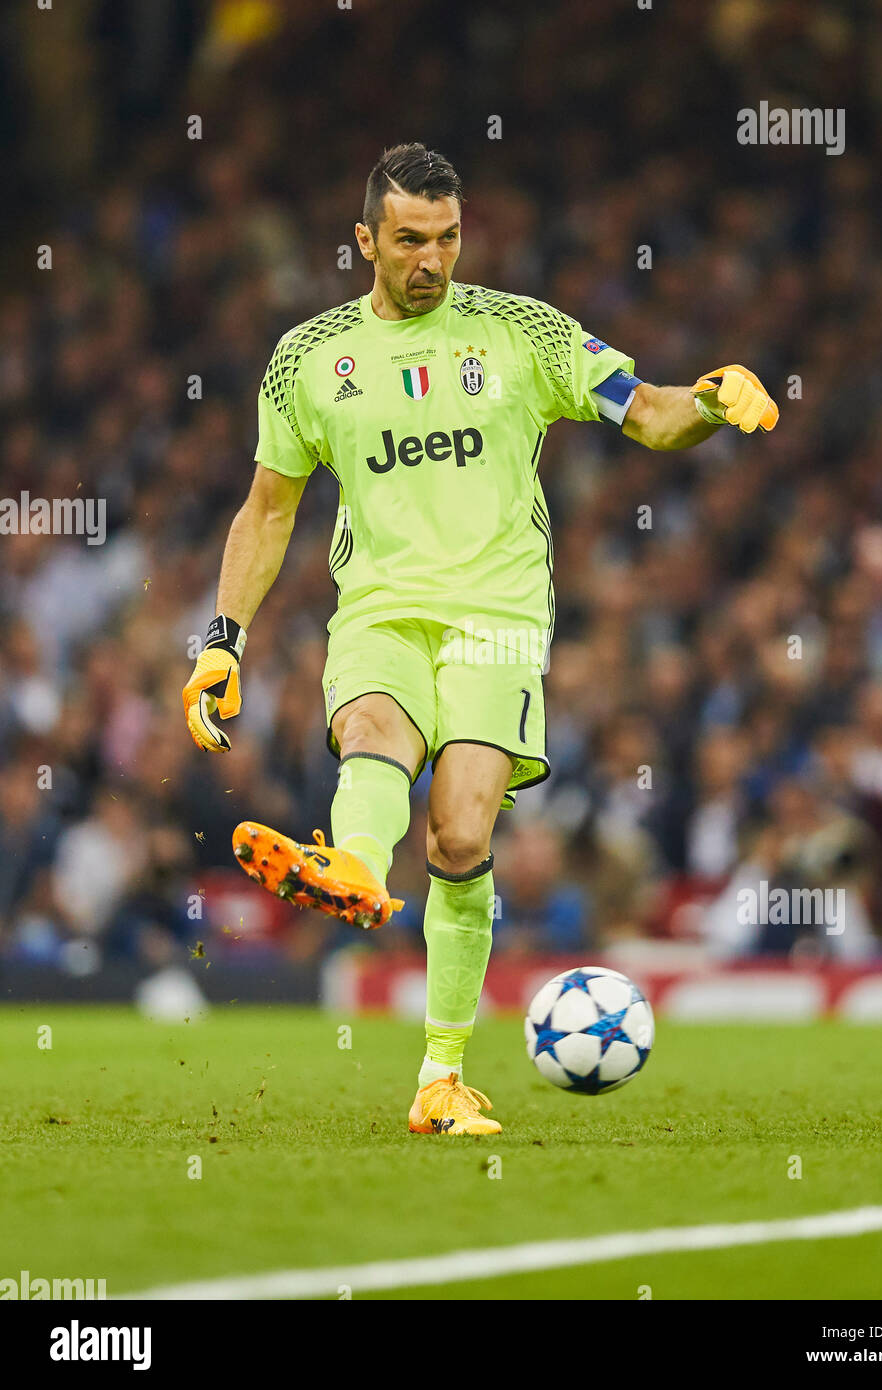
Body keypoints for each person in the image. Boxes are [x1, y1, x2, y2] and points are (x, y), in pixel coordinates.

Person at [181, 142, 778, 1135]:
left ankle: (439, 1077)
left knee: (459, 833)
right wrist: (223, 638)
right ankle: (359, 871)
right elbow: (268, 510)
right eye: (410, 240)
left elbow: (651, 416)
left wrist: (713, 399)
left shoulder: (519, 332)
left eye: (448, 237)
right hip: (376, 609)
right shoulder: (306, 360)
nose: (432, 259)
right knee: (371, 723)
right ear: (364, 239)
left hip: (497, 618)